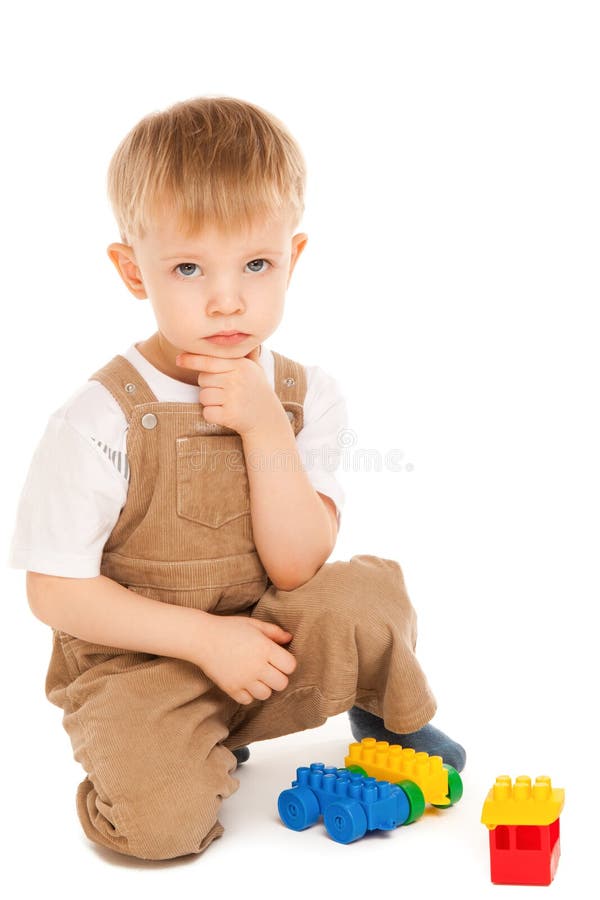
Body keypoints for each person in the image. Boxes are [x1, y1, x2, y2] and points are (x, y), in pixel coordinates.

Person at [8, 96, 465, 861]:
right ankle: (155, 758)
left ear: (294, 256)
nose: (228, 299)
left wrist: (262, 425)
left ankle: (389, 713)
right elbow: (53, 591)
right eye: (188, 268)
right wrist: (203, 641)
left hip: (268, 640)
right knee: (158, 832)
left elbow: (295, 566)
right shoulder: (98, 416)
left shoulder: (305, 394)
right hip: (145, 666)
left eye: (256, 264)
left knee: (366, 596)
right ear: (131, 270)